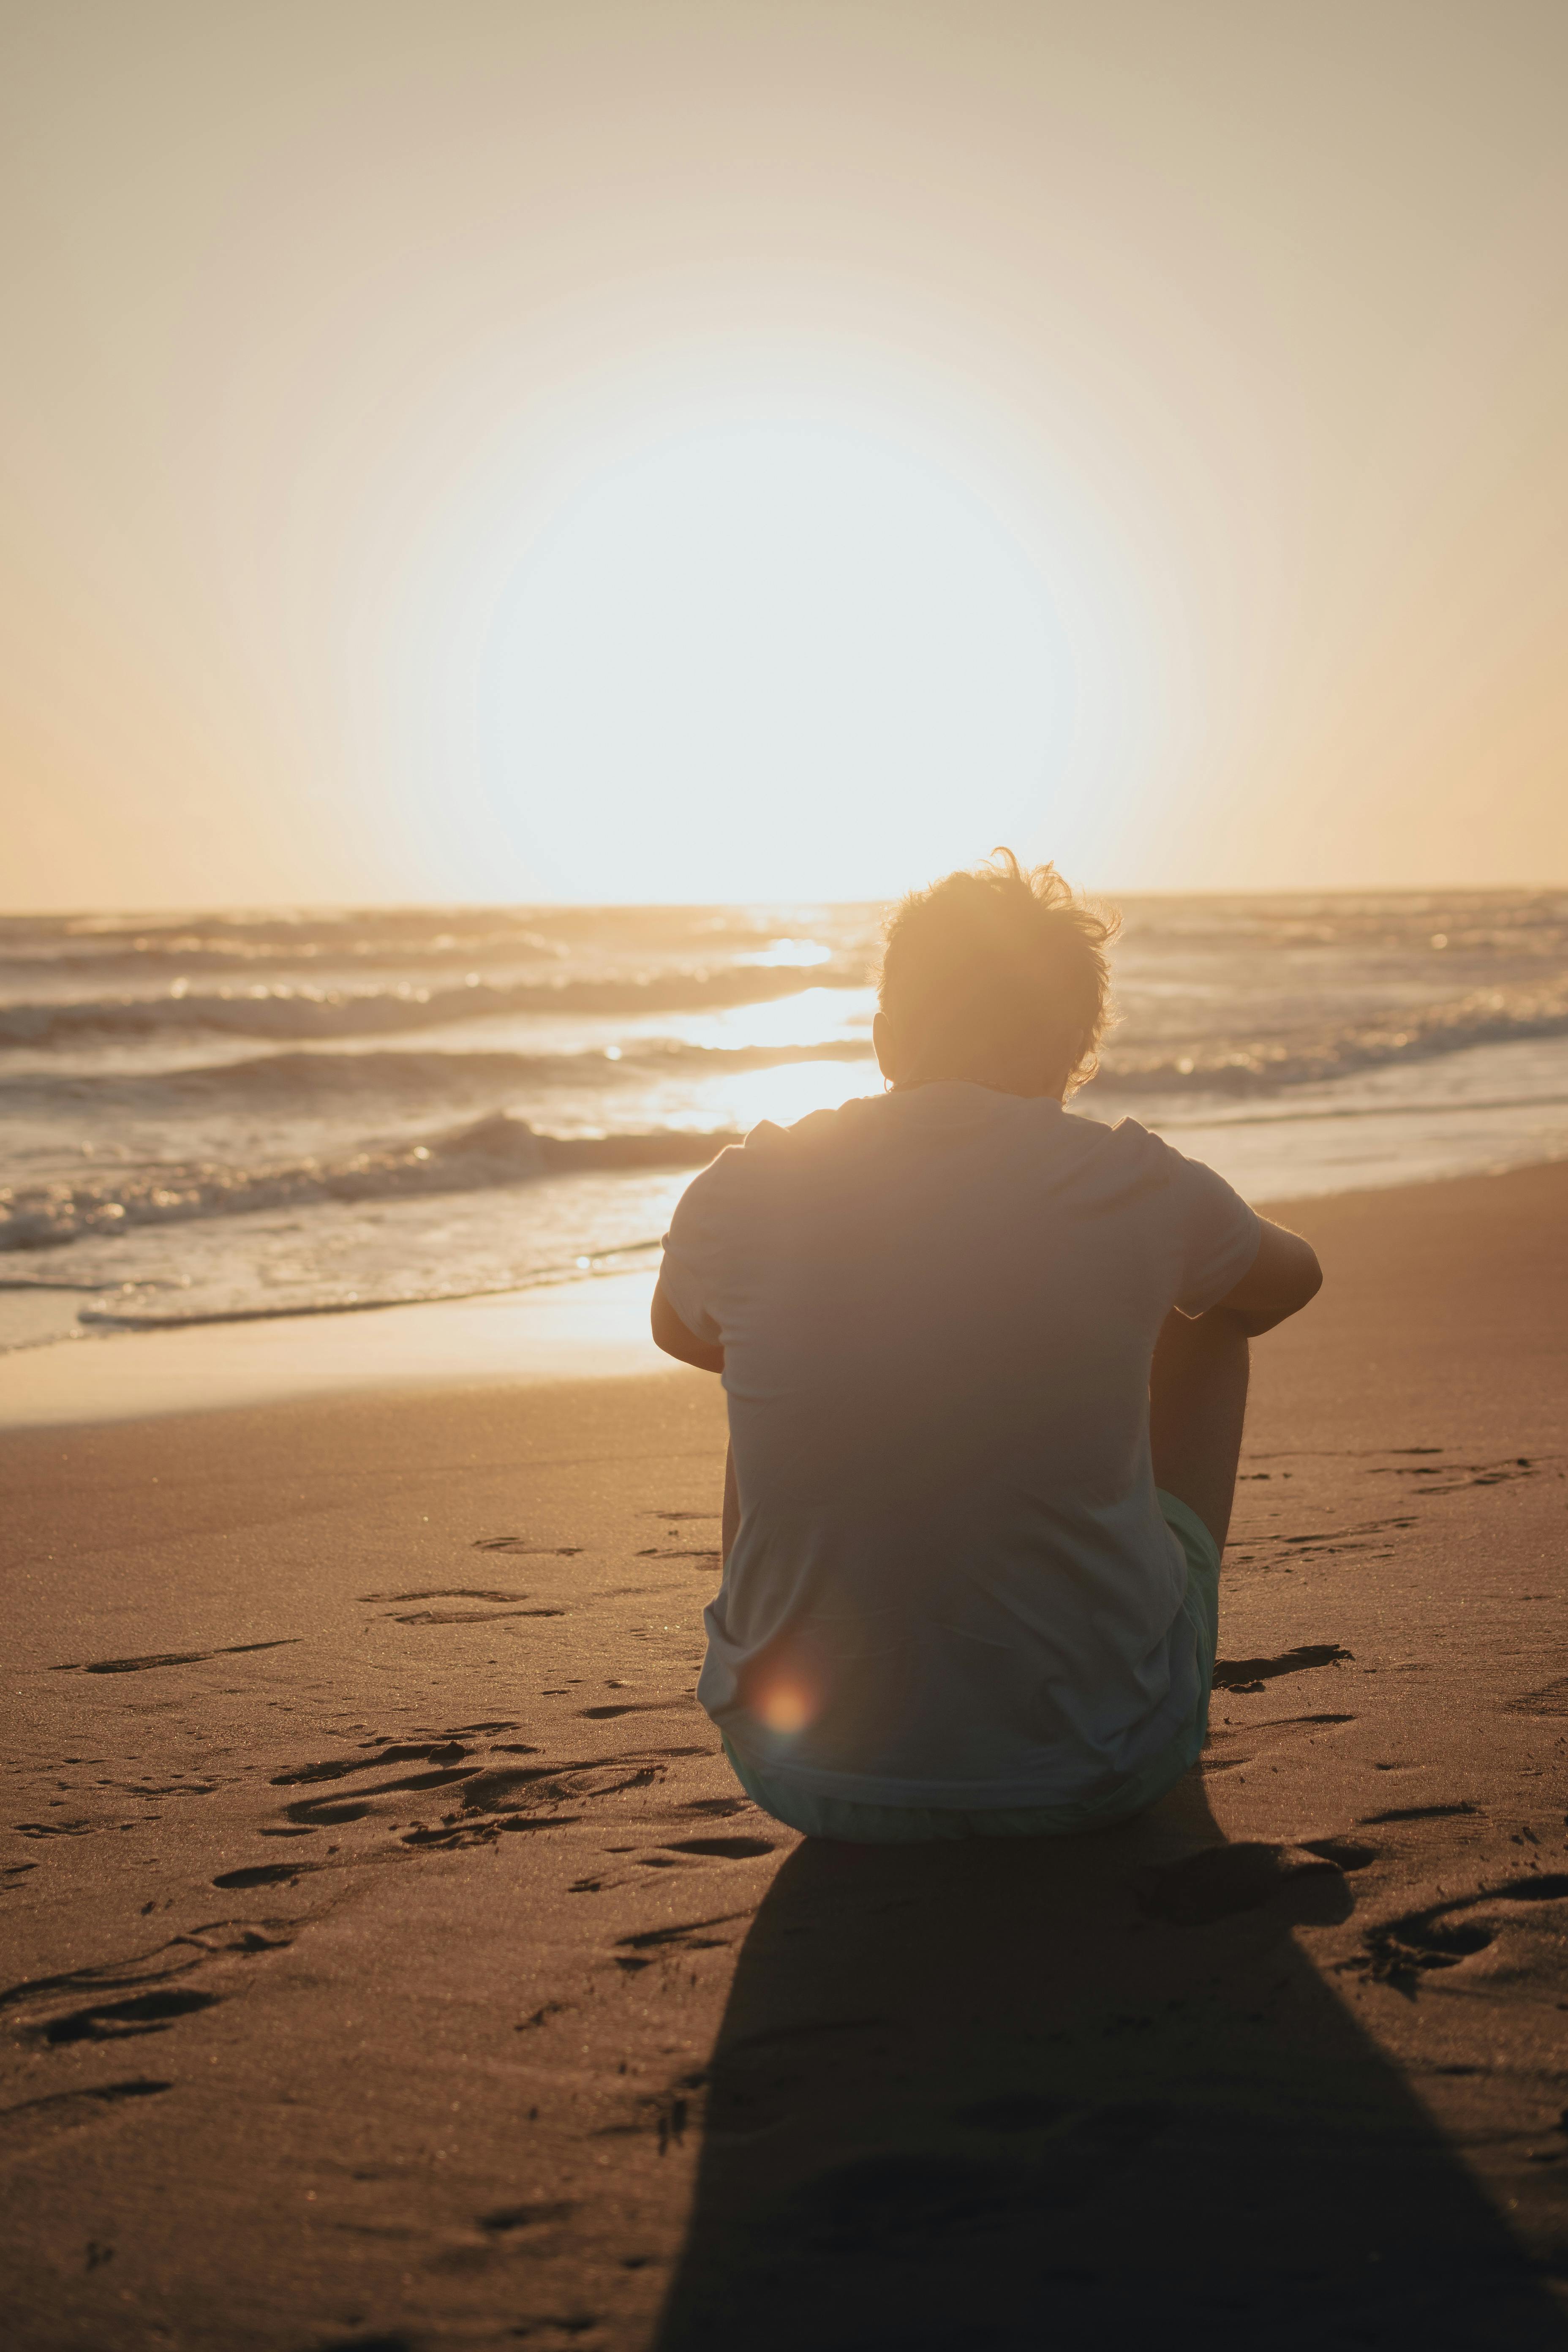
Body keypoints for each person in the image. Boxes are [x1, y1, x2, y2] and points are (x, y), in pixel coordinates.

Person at [651, 852, 1322, 1841]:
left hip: (797, 1770)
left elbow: (682, 1333)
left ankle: (802, 1656)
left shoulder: (745, 1187)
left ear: (885, 1040)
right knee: (1211, 1316)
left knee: (762, 1355)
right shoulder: (1134, 1183)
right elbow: (1289, 1280)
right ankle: (1117, 1639)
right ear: (1071, 1052)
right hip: (1104, 1764)